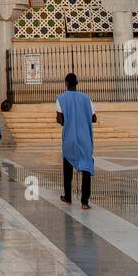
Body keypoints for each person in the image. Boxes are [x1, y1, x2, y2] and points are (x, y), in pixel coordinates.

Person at [55, 73, 96, 210]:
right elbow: (94, 117)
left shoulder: (61, 98)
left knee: (67, 167)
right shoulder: (86, 98)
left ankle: (68, 196)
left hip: (69, 138)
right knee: (86, 168)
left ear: (66, 83)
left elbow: (60, 119)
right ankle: (85, 202)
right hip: (85, 138)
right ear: (77, 83)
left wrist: (68, 120)